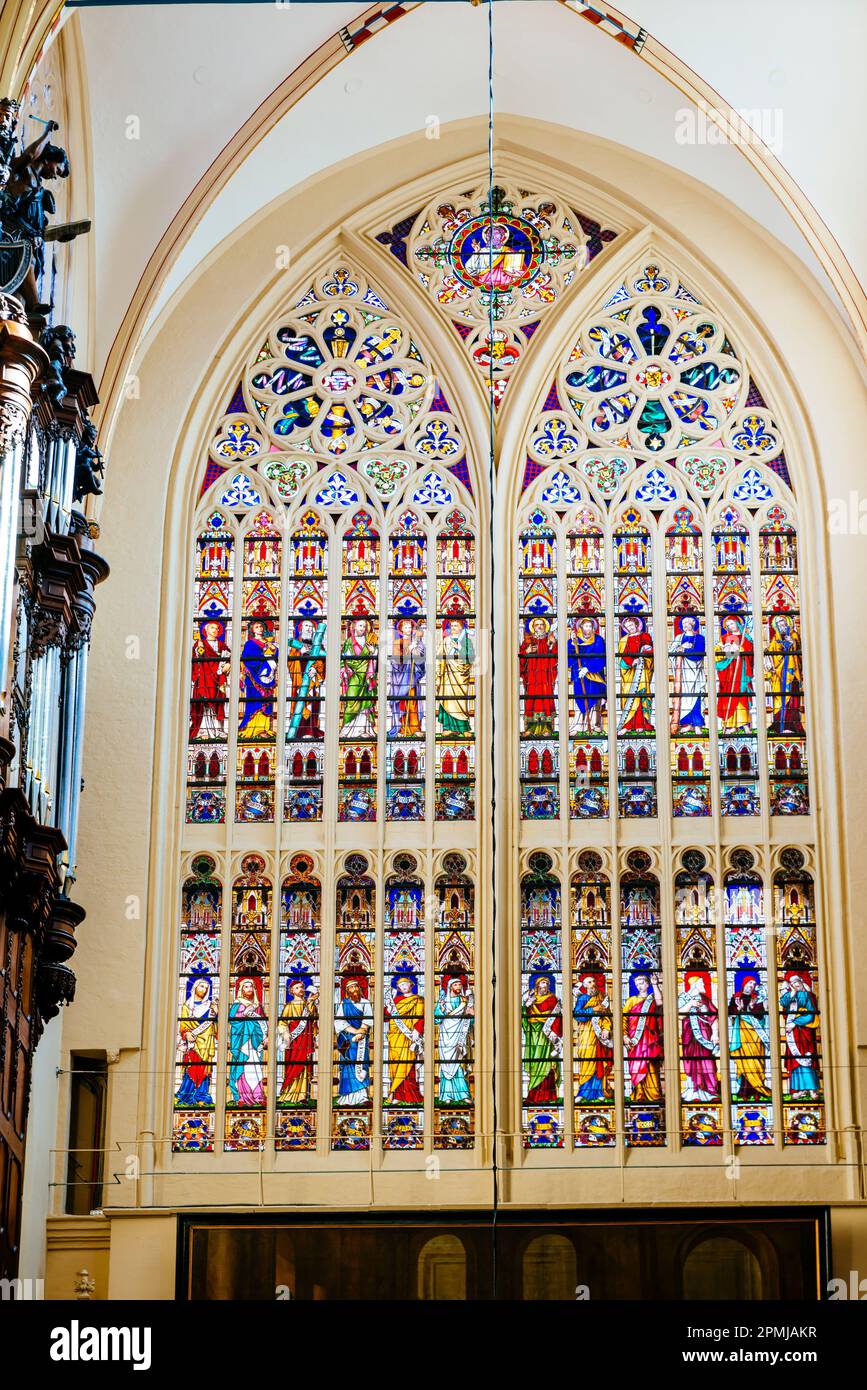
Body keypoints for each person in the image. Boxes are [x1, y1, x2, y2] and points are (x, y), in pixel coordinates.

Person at [175, 973, 217, 1106]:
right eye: (201, 986)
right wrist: (187, 1033)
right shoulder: (187, 1006)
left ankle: (201, 1095)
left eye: (206, 987)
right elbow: (183, 1025)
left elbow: (216, 1026)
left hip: (206, 1043)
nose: (204, 989)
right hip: (193, 1044)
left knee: (204, 1069)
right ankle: (186, 1094)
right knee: (191, 1067)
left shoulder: (211, 1006)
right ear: (195, 988)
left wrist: (216, 1014)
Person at [728, 973, 771, 1099]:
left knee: (756, 1059)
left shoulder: (757, 998)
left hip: (756, 1033)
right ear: (744, 984)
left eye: (753, 984)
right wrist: (739, 1009)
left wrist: (752, 1008)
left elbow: (762, 1016)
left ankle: (758, 1089)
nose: (751, 986)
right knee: (745, 1059)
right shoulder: (736, 997)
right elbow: (730, 1013)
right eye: (749, 983)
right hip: (742, 1031)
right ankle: (745, 1091)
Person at [678, 972, 719, 1101]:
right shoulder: (683, 997)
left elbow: (714, 1017)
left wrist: (715, 1033)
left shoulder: (705, 999)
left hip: (705, 1037)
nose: (704, 986)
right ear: (695, 984)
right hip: (689, 1037)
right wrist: (690, 1004)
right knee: (691, 1063)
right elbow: (679, 1015)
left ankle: (709, 1092)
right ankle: (693, 1091)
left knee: (708, 1063)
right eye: (702, 983)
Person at [522, 972, 563, 1104]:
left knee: (547, 1062)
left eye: (546, 983)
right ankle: (533, 1095)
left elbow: (557, 1016)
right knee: (535, 1063)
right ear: (537, 985)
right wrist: (527, 1006)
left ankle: (548, 1096)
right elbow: (525, 1017)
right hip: (533, 1035)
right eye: (542, 983)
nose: (545, 985)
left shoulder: (552, 999)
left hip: (547, 1035)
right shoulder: (532, 999)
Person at [572, 974, 614, 1103]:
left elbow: (607, 1016)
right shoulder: (582, 998)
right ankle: (583, 1091)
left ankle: (598, 1091)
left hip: (599, 1035)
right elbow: (577, 1015)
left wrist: (607, 1028)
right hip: (586, 1033)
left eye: (594, 981)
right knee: (586, 1061)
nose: (593, 984)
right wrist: (593, 1009)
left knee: (598, 1062)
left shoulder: (602, 997)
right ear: (584, 986)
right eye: (589, 982)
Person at [623, 971, 664, 1102]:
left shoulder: (652, 998)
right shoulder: (631, 1001)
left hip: (650, 1038)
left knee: (651, 1065)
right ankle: (638, 1093)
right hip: (635, 1040)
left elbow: (660, 1003)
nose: (639, 986)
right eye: (637, 984)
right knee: (636, 1067)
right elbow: (623, 1019)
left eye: (642, 983)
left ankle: (654, 1094)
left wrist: (655, 984)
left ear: (647, 984)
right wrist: (625, 1036)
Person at [277, 976, 318, 1105]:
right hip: (293, 1040)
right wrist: (286, 1034)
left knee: (304, 1065)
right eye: (297, 987)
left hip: (305, 1038)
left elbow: (313, 1017)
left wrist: (311, 1002)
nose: (300, 989)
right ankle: (288, 1094)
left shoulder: (308, 1003)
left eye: (301, 987)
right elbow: (282, 1022)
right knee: (292, 1066)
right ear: (291, 991)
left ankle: (302, 1095)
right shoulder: (289, 1006)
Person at [384, 974, 424, 1104]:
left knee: (407, 1063)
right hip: (395, 1035)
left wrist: (417, 1031)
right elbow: (385, 1016)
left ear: (411, 985)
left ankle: (407, 1096)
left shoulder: (418, 999)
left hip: (409, 1036)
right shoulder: (396, 1001)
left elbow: (420, 1016)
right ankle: (397, 1095)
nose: (403, 987)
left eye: (405, 984)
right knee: (395, 1065)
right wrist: (388, 1009)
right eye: (400, 985)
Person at [779, 972, 820, 1098]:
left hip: (804, 1032)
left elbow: (810, 1014)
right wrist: (791, 993)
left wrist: (795, 1023)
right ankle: (800, 1089)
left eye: (796, 982)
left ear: (801, 981)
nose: (795, 985)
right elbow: (783, 1002)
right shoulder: (791, 995)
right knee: (796, 1062)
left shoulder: (807, 996)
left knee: (807, 1060)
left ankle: (812, 1088)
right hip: (793, 1035)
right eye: (792, 983)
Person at [434, 975, 474, 1105]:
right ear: (450, 987)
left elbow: (471, 1020)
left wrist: (471, 1014)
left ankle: (463, 1094)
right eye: (456, 985)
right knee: (446, 1063)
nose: (459, 987)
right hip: (446, 1036)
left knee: (459, 1063)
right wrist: (441, 1009)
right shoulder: (443, 1001)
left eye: (460, 985)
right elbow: (436, 1019)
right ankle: (446, 1095)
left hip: (459, 1036)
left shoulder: (464, 1000)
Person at [189, 619, 230, 741]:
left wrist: (227, 664)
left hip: (217, 677)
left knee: (217, 702)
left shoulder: (221, 644)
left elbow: (228, 657)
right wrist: (198, 650)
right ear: (206, 630)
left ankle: (218, 730)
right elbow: (196, 660)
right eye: (212, 627)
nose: (215, 630)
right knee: (203, 702)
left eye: (217, 628)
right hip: (204, 678)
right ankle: (202, 730)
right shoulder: (200, 643)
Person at [334, 977, 373, 1105]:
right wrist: (354, 1032)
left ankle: (363, 1096)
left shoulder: (365, 1002)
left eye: (356, 986)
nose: (354, 989)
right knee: (347, 1066)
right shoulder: (344, 1004)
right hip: (348, 1039)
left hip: (362, 1040)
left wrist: (361, 1031)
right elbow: (339, 1021)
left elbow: (368, 1020)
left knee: (362, 1064)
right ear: (347, 991)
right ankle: (347, 1097)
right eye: (351, 987)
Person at [227, 977, 266, 1106]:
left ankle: (258, 1095)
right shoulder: (237, 1004)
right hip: (241, 1041)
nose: (249, 989)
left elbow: (263, 1023)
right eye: (246, 986)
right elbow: (233, 1021)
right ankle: (242, 1096)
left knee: (255, 1068)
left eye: (251, 986)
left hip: (255, 1042)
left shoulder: (258, 1006)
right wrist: (244, 1014)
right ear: (241, 990)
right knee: (242, 1067)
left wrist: (265, 1036)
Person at [238, 618, 278, 740]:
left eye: (261, 627)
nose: (259, 629)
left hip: (268, 676)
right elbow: (246, 658)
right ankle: (253, 728)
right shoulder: (250, 643)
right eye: (256, 627)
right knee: (255, 701)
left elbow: (277, 656)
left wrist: (274, 650)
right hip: (254, 677)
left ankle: (265, 728)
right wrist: (263, 655)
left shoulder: (268, 642)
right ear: (252, 630)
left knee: (266, 701)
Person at [286, 618, 326, 740]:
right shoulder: (296, 644)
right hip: (299, 681)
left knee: (313, 705)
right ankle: (298, 731)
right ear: (300, 629)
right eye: (306, 626)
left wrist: (316, 670)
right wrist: (300, 652)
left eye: (311, 627)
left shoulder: (318, 646)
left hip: (313, 681)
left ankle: (312, 729)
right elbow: (290, 663)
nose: (309, 629)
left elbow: (323, 661)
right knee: (300, 705)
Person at [765, 615, 805, 735]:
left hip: (791, 673)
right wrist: (768, 657)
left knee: (791, 699)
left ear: (787, 622)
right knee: (779, 700)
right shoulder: (775, 638)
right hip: (778, 676)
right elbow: (771, 652)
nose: (780, 624)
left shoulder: (793, 634)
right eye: (777, 623)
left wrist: (791, 643)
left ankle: (791, 724)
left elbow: (798, 649)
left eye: (782, 621)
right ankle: (779, 724)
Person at [519, 616, 558, 737]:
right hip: (531, 678)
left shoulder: (548, 640)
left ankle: (547, 727)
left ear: (545, 627)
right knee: (532, 701)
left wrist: (554, 643)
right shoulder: (528, 641)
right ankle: (530, 728)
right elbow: (519, 658)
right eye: (537, 625)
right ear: (533, 627)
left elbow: (556, 657)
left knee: (545, 700)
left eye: (542, 624)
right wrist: (527, 652)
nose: (540, 627)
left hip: (545, 677)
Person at [340, 617, 378, 739]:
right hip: (353, 676)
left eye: (364, 626)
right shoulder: (348, 642)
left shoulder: (370, 641)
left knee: (365, 703)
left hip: (366, 676)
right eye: (360, 626)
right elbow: (343, 660)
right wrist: (345, 669)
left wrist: (374, 652)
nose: (363, 628)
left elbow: (376, 658)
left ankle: (364, 729)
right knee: (351, 700)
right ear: (354, 627)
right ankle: (347, 730)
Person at [567, 616, 606, 734]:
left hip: (594, 674)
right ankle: (578, 726)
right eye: (586, 626)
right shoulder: (573, 641)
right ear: (581, 627)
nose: (588, 628)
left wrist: (588, 668)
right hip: (579, 675)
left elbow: (601, 657)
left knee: (594, 698)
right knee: (580, 698)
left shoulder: (598, 639)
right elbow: (568, 658)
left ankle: (595, 724)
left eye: (590, 626)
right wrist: (573, 647)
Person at [436, 617, 474, 736]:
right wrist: (438, 673)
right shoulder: (446, 641)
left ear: (462, 628)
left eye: (456, 625)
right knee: (447, 700)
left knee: (461, 702)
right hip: (448, 674)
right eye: (452, 626)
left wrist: (459, 648)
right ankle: (448, 727)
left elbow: (471, 658)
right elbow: (439, 657)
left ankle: (464, 728)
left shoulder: (467, 642)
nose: (453, 628)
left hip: (461, 676)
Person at [388, 617, 425, 738]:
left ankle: (415, 727)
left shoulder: (417, 642)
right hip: (400, 679)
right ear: (400, 629)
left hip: (412, 677)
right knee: (402, 702)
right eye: (405, 627)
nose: (408, 629)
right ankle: (401, 728)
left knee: (413, 701)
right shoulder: (397, 643)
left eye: (410, 627)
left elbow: (421, 661)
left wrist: (416, 649)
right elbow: (396, 661)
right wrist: (408, 648)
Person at [716, 616, 754, 732]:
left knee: (741, 694)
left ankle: (745, 724)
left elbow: (751, 653)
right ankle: (731, 726)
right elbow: (717, 654)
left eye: (731, 624)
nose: (729, 627)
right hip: (728, 672)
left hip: (741, 671)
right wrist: (722, 649)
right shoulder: (724, 638)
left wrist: (740, 648)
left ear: (737, 623)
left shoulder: (745, 638)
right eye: (727, 626)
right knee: (728, 696)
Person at [669, 614, 706, 732]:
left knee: (696, 697)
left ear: (693, 624)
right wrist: (681, 647)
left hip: (696, 671)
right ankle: (687, 724)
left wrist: (685, 650)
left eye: (687, 623)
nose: (685, 625)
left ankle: (697, 725)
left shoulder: (699, 638)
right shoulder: (679, 638)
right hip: (682, 674)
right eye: (683, 624)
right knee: (684, 698)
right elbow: (671, 651)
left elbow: (699, 653)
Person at [617, 616, 654, 732]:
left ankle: (641, 723)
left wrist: (644, 652)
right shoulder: (623, 640)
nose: (630, 629)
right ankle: (628, 725)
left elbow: (651, 651)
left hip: (642, 671)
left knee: (640, 695)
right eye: (627, 627)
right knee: (629, 697)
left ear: (637, 625)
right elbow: (621, 658)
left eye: (632, 626)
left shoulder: (645, 636)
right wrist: (632, 662)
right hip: (629, 673)